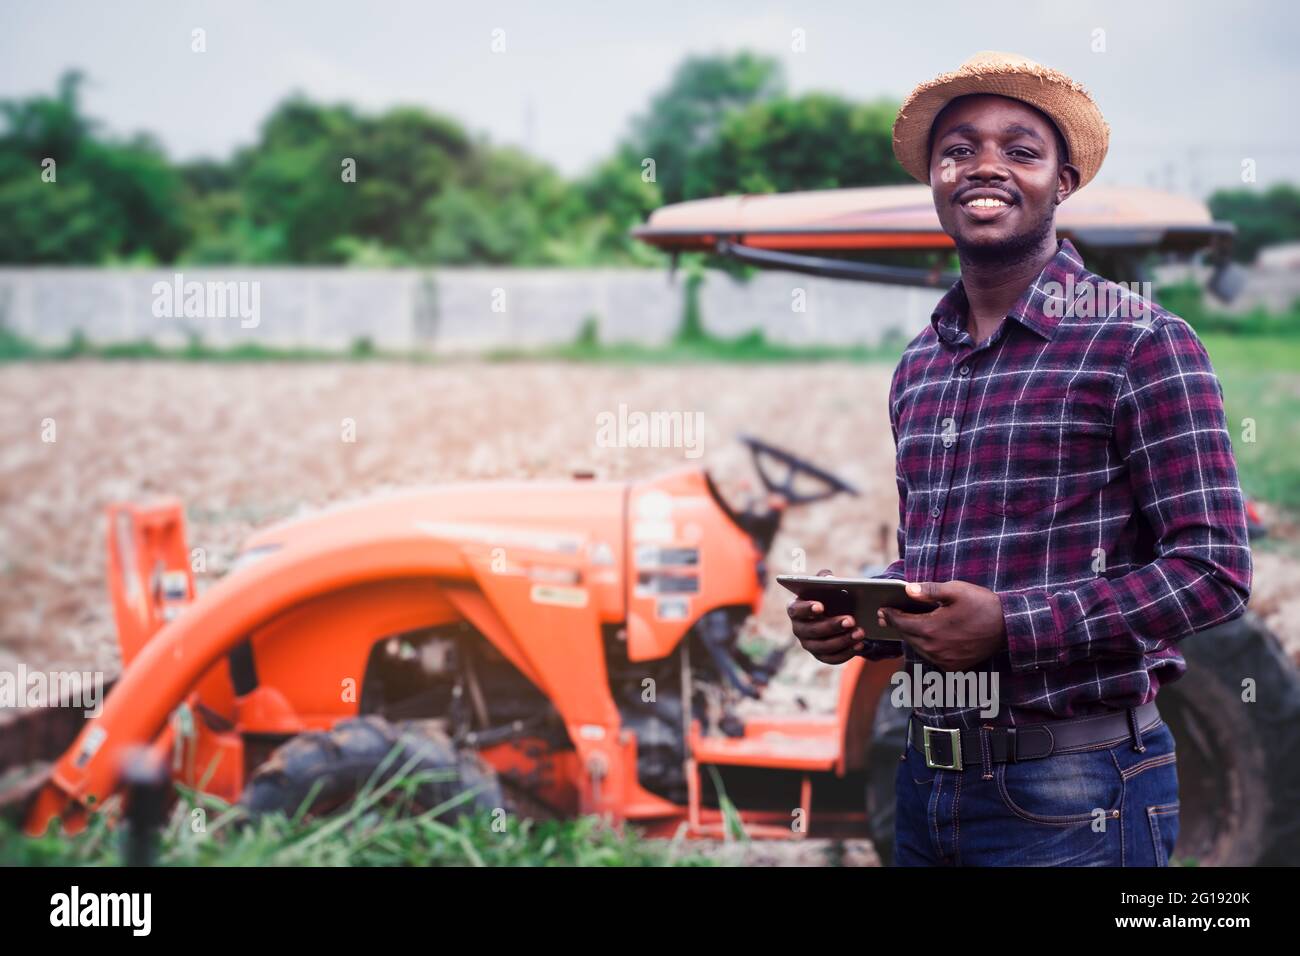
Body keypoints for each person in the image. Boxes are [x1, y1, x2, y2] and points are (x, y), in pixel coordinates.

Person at [787, 51, 1252, 866]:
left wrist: (1009, 627)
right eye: (958, 149)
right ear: (933, 177)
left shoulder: (1140, 342)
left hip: (1079, 787)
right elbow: (953, 564)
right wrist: (865, 616)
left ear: (1063, 182)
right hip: (927, 784)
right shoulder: (921, 366)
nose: (984, 167)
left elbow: (1213, 569)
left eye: (1021, 150)